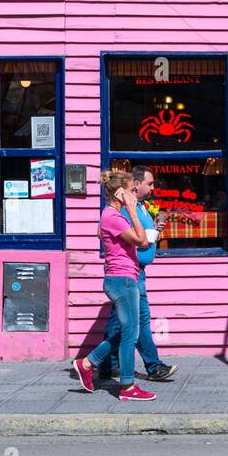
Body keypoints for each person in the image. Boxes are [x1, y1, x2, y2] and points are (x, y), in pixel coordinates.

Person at [71, 170, 156, 402]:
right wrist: (131, 210)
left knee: (128, 332)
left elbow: (103, 233)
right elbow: (141, 240)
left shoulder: (110, 215)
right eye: (130, 191)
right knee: (130, 334)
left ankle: (87, 364)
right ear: (120, 193)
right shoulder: (114, 216)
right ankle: (127, 386)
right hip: (123, 279)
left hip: (124, 278)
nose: (134, 195)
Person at [96, 165, 177, 381]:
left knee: (121, 323)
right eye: (148, 184)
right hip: (126, 274)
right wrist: (132, 212)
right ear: (133, 186)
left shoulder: (139, 207)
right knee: (137, 323)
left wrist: (154, 231)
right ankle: (149, 368)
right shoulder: (118, 211)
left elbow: (140, 237)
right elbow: (137, 239)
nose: (151, 188)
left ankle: (104, 365)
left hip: (132, 272)